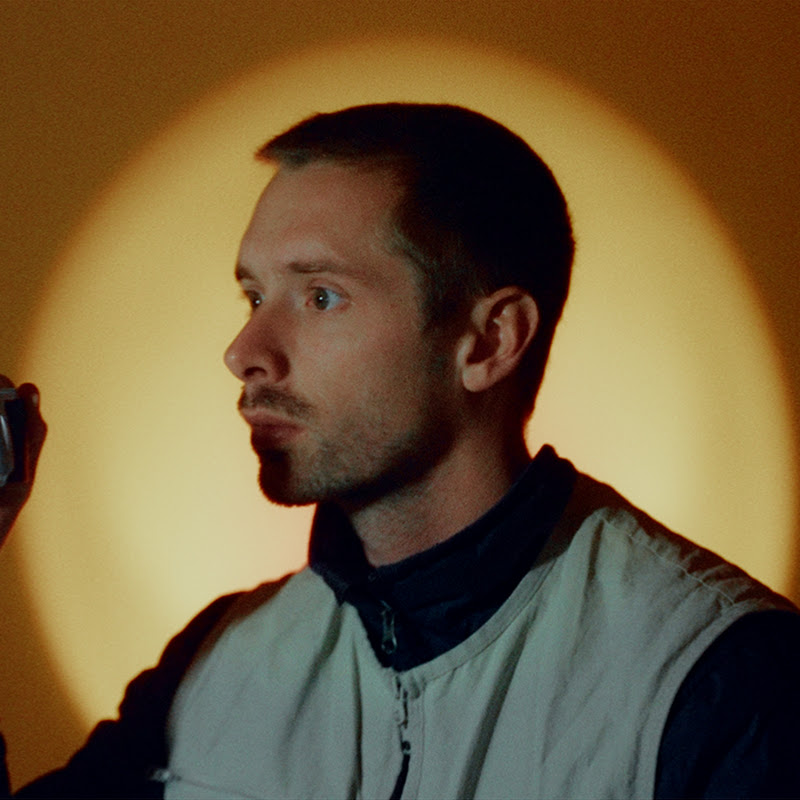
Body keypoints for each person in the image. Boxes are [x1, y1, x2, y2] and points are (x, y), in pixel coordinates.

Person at [1, 103, 799, 799]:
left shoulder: (727, 678)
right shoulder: (217, 661)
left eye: (321, 296)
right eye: (254, 295)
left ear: (489, 341)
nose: (245, 352)